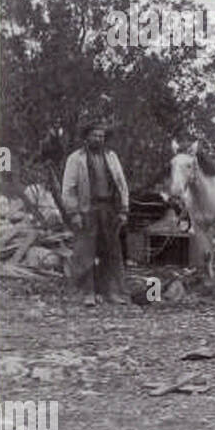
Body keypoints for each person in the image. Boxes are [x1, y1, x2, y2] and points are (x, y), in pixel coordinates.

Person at [61, 119, 130, 306]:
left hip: (109, 209)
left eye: (101, 136)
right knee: (85, 252)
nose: (98, 139)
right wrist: (74, 213)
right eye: (94, 135)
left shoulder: (111, 157)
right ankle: (86, 293)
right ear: (86, 137)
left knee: (111, 251)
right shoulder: (76, 159)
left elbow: (122, 185)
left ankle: (112, 292)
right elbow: (68, 189)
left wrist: (123, 209)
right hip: (86, 210)